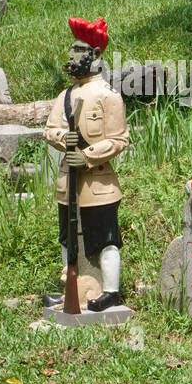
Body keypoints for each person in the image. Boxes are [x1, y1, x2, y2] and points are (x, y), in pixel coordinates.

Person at [43, 17, 129, 312]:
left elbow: (119, 140)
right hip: (68, 182)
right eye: (71, 50)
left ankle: (111, 291)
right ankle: (72, 289)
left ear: (96, 55)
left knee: (105, 238)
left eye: (78, 50)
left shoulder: (109, 96)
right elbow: (49, 129)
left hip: (98, 183)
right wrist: (61, 137)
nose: (71, 57)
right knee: (67, 239)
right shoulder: (65, 95)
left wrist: (89, 155)